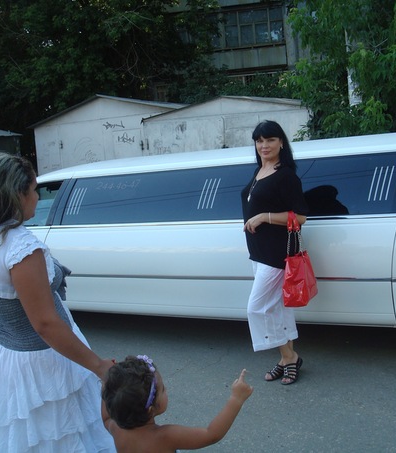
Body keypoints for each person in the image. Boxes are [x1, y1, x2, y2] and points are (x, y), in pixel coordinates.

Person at [0, 152, 116, 452]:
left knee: (19, 435)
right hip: (43, 362)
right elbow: (45, 323)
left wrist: (5, 352)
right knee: (58, 434)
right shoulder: (21, 247)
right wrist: (99, 367)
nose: (37, 197)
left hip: (3, 354)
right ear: (18, 195)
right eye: (33, 190)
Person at [241, 120, 309, 385]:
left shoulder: (286, 175)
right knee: (278, 308)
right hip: (258, 253)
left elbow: (300, 217)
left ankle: (289, 356)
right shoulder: (259, 171)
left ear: (281, 142)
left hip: (276, 255)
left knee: (257, 308)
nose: (264, 145)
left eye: (270, 139)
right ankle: (286, 359)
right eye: (259, 140)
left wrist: (263, 217)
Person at [101, 355, 253, 452]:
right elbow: (211, 434)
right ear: (150, 409)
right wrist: (236, 399)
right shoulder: (165, 436)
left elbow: (106, 417)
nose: (166, 390)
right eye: (163, 390)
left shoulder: (116, 428)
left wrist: (110, 383)